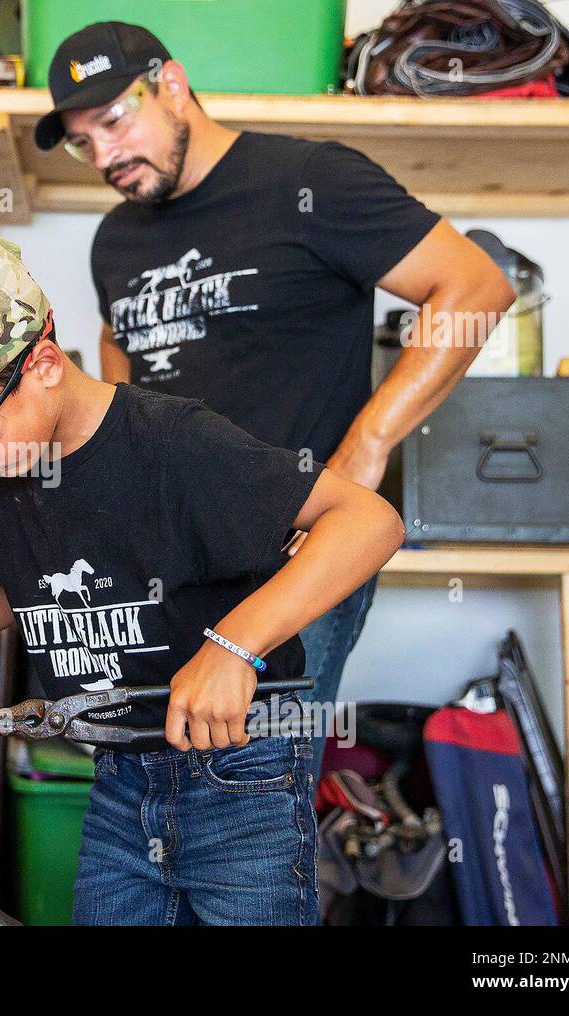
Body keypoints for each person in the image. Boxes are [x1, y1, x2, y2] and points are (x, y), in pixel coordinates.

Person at [0, 233, 404, 925]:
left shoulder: (176, 444)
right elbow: (9, 590)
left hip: (239, 778)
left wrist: (234, 646)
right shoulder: (5, 466)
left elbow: (368, 521)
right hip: (116, 780)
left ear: (44, 364)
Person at [34, 22, 515, 772]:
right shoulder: (117, 240)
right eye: (80, 140)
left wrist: (365, 449)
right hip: (167, 559)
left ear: (171, 83)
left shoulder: (312, 180)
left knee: (257, 793)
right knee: (154, 777)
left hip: (296, 551)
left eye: (114, 121)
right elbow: (119, 350)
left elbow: (476, 285)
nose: (103, 156)